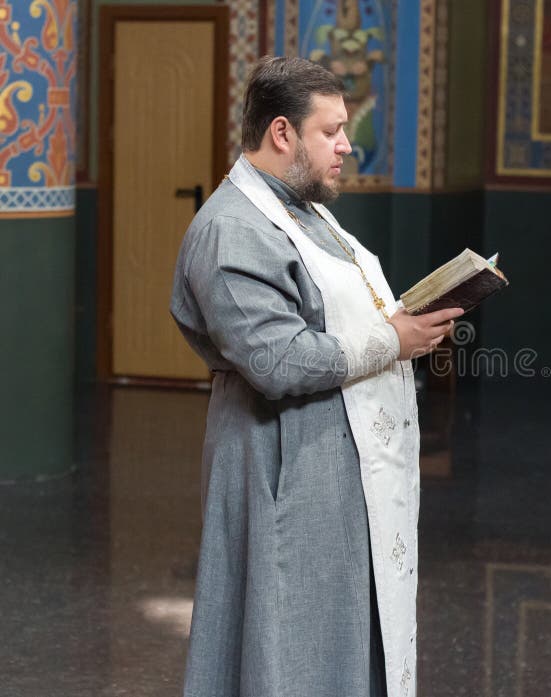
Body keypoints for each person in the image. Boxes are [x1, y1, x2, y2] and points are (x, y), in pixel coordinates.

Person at [169, 55, 462, 697]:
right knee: (286, 626)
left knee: (340, 620)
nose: (346, 146)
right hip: (284, 463)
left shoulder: (305, 211)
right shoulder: (230, 228)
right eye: (331, 131)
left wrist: (402, 325)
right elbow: (277, 361)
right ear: (282, 133)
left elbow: (334, 315)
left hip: (335, 459)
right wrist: (393, 339)